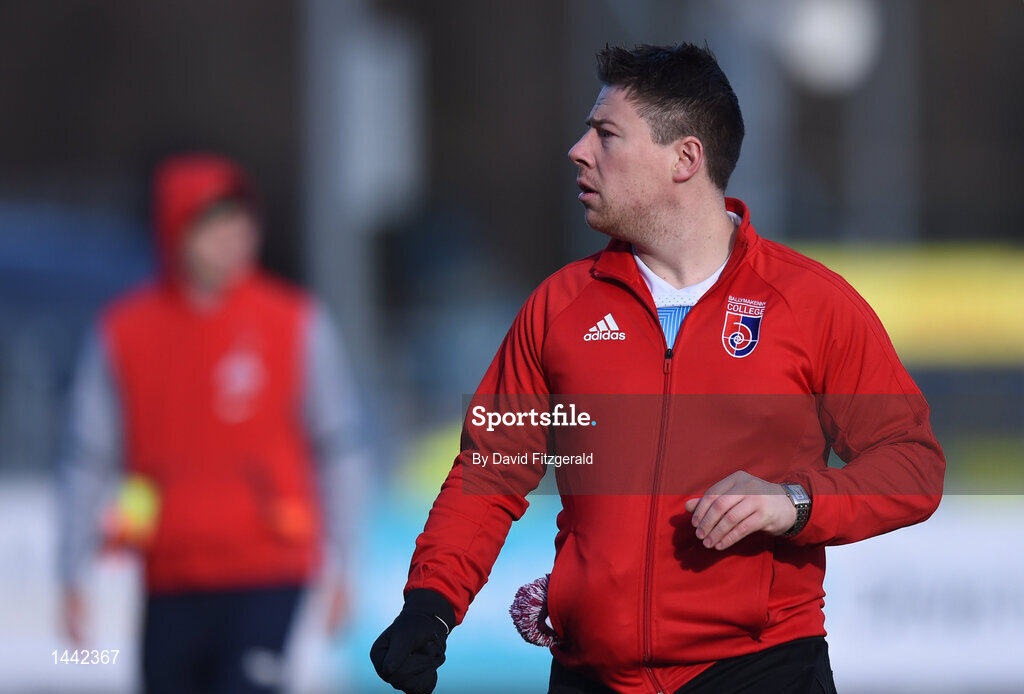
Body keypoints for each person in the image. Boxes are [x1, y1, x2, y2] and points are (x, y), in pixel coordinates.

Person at [370, 43, 945, 694]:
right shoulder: (559, 305)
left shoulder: (810, 304)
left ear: (685, 159)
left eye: (606, 134)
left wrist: (795, 501)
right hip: (590, 676)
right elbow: (490, 470)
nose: (579, 151)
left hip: (763, 670)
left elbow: (913, 464)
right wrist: (431, 605)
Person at [58, 153, 365, 694]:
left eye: (240, 221)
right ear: (176, 232)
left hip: (269, 565)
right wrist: (71, 571)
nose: (233, 237)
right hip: (169, 572)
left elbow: (340, 446)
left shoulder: (294, 322)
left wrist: (347, 563)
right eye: (214, 224)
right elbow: (87, 458)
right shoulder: (124, 333)